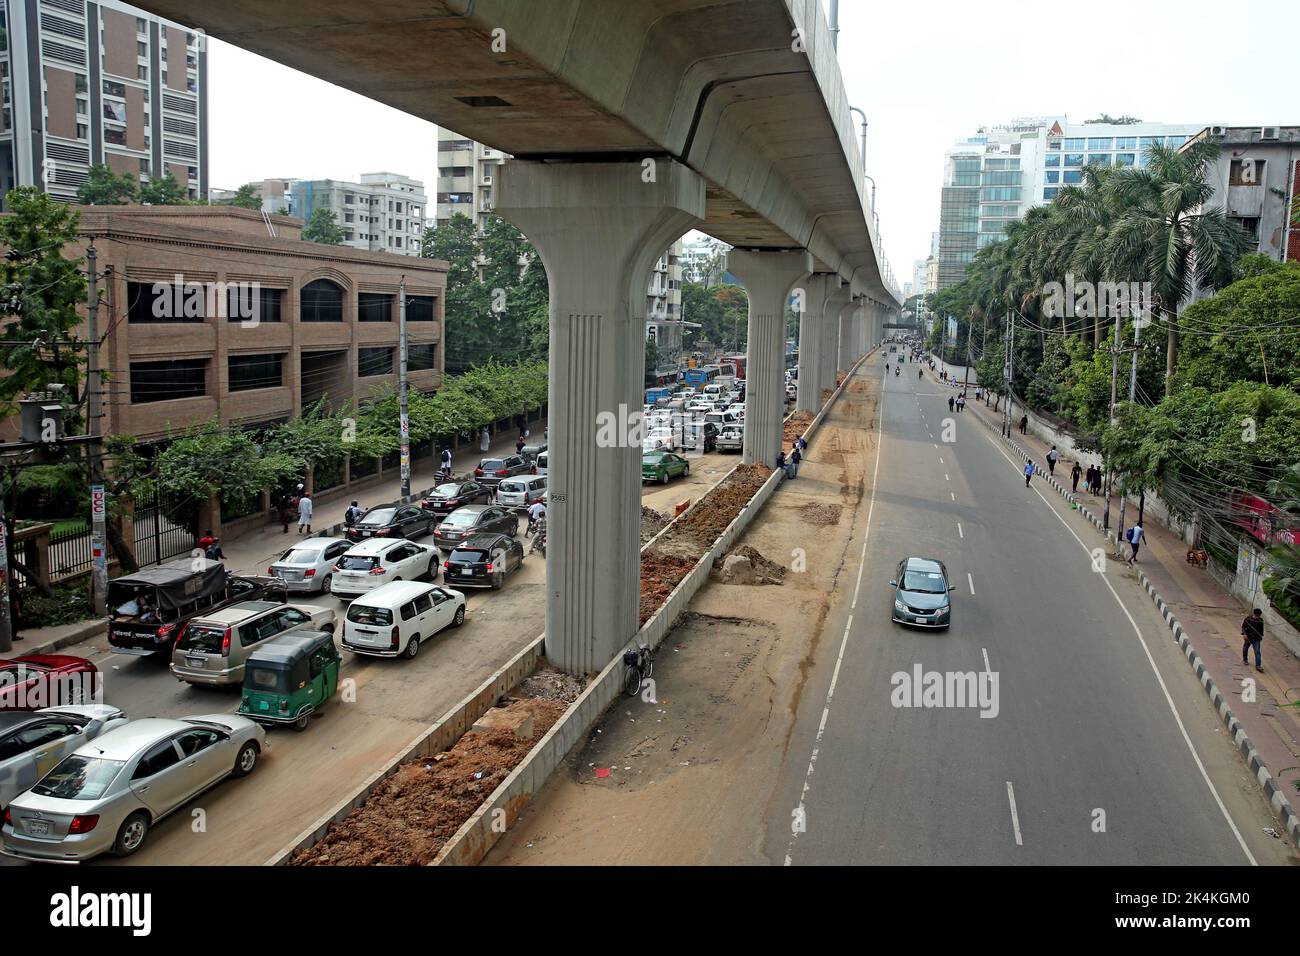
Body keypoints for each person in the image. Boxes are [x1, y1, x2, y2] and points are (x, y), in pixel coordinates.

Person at [1241, 608, 1265, 673]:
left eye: (1259, 616)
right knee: (1245, 648)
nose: (1257, 617)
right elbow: (1243, 627)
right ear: (1254, 614)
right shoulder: (1248, 619)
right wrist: (1244, 634)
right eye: (1256, 615)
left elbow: (1261, 630)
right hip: (1248, 637)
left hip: (1257, 638)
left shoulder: (1260, 620)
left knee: (1257, 651)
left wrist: (1261, 636)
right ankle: (1245, 659)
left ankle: (1258, 665)